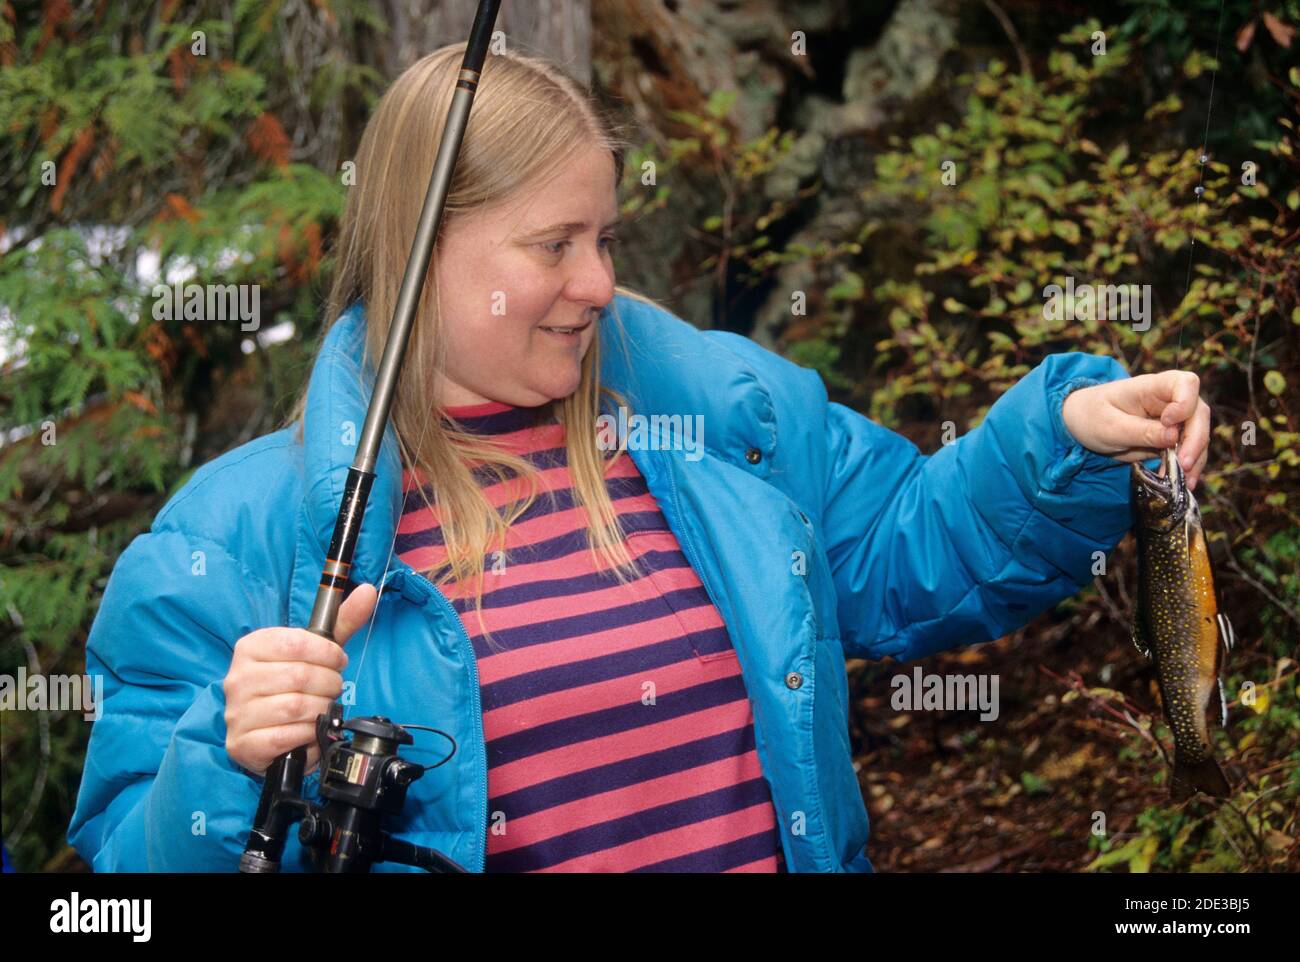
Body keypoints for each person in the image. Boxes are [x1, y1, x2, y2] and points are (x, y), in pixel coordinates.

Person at [67, 44, 1210, 873]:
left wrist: (1062, 439)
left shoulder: (719, 420)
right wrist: (221, 759)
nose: (602, 281)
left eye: (604, 236)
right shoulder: (235, 541)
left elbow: (909, 548)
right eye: (554, 244)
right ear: (424, 248)